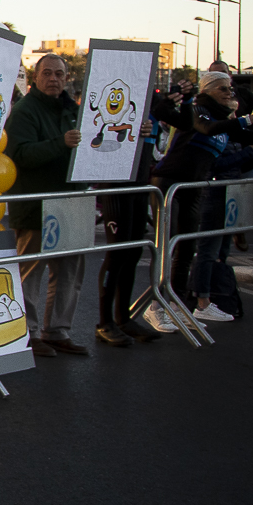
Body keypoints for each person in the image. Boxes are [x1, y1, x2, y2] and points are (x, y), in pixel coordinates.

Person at [150, 70, 253, 324]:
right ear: (207, 90)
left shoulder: (226, 122)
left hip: (194, 187)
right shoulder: (198, 110)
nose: (230, 93)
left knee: (186, 250)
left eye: (231, 89)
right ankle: (155, 306)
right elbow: (207, 128)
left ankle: (177, 306)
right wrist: (248, 119)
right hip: (169, 183)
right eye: (223, 88)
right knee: (167, 247)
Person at [3, 55, 90, 356]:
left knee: (69, 272)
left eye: (59, 74)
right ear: (36, 76)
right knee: (30, 272)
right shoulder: (25, 111)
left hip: (72, 201)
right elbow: (20, 154)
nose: (54, 79)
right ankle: (27, 332)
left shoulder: (74, 110)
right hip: (36, 204)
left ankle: (57, 331)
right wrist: (60, 143)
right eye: (47, 73)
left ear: (67, 78)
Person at [95, 109, 161, 346]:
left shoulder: (153, 103)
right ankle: (105, 322)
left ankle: (123, 318)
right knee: (117, 254)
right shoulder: (122, 99)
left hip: (140, 184)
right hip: (116, 182)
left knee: (133, 252)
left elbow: (183, 121)